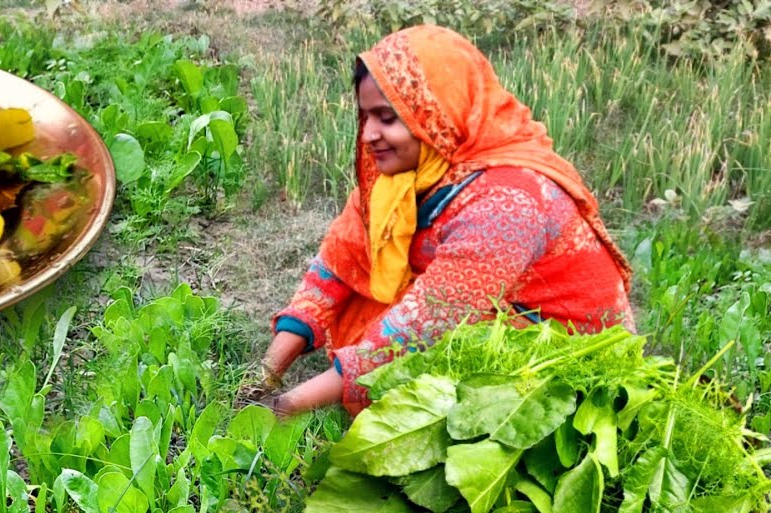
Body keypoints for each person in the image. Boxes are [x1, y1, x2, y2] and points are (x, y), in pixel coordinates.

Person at [260, 24, 635, 417]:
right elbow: (336, 268)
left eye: (387, 118)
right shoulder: (399, 178)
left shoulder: (508, 201)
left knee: (438, 353)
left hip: (564, 363)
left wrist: (285, 408)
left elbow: (419, 331)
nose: (369, 134)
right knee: (365, 278)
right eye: (365, 116)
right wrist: (266, 374)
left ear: (437, 116)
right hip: (483, 314)